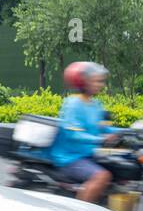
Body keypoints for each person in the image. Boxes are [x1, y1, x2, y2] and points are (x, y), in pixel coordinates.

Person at [48, 62, 122, 203]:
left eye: (101, 81)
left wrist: (128, 131)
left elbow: (103, 128)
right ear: (83, 82)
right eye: (96, 81)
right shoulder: (73, 104)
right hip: (70, 158)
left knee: (121, 170)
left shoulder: (95, 104)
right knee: (102, 176)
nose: (101, 85)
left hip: (88, 156)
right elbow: (73, 133)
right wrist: (99, 139)